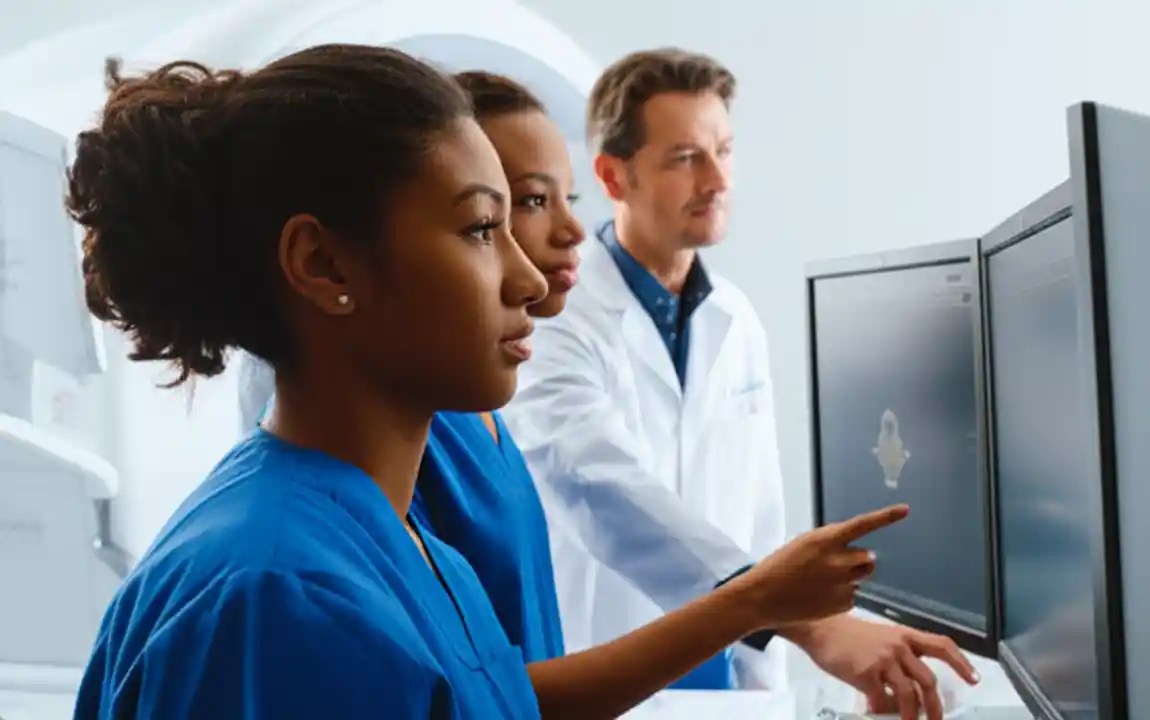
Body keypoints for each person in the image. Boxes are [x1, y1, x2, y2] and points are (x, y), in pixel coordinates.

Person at [69, 46, 908, 720]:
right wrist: (755, 601)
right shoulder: (278, 601)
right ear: (323, 265)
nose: (532, 282)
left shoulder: (423, 556)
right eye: (480, 228)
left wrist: (756, 603)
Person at [502, 47, 979, 718]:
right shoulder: (556, 319)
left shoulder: (736, 317)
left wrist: (787, 660)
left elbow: (759, 514)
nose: (717, 178)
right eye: (684, 158)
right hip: (618, 667)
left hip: (736, 673)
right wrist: (805, 621)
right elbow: (595, 481)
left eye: (724, 150)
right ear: (614, 176)